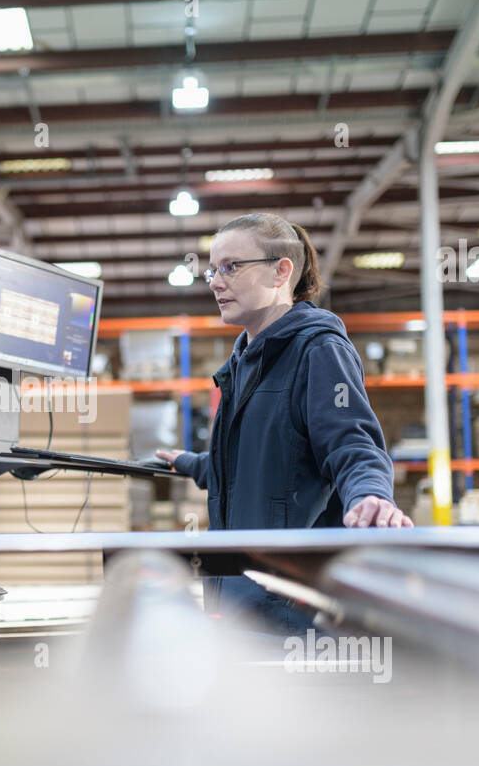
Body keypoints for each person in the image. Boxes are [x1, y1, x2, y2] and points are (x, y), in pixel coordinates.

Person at [155, 212, 412, 634]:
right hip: (241, 596)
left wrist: (370, 495)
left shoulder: (319, 351)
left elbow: (353, 444)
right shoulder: (243, 364)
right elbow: (259, 461)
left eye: (231, 267)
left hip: (291, 611)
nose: (216, 282)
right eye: (213, 271)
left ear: (281, 271)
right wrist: (192, 463)